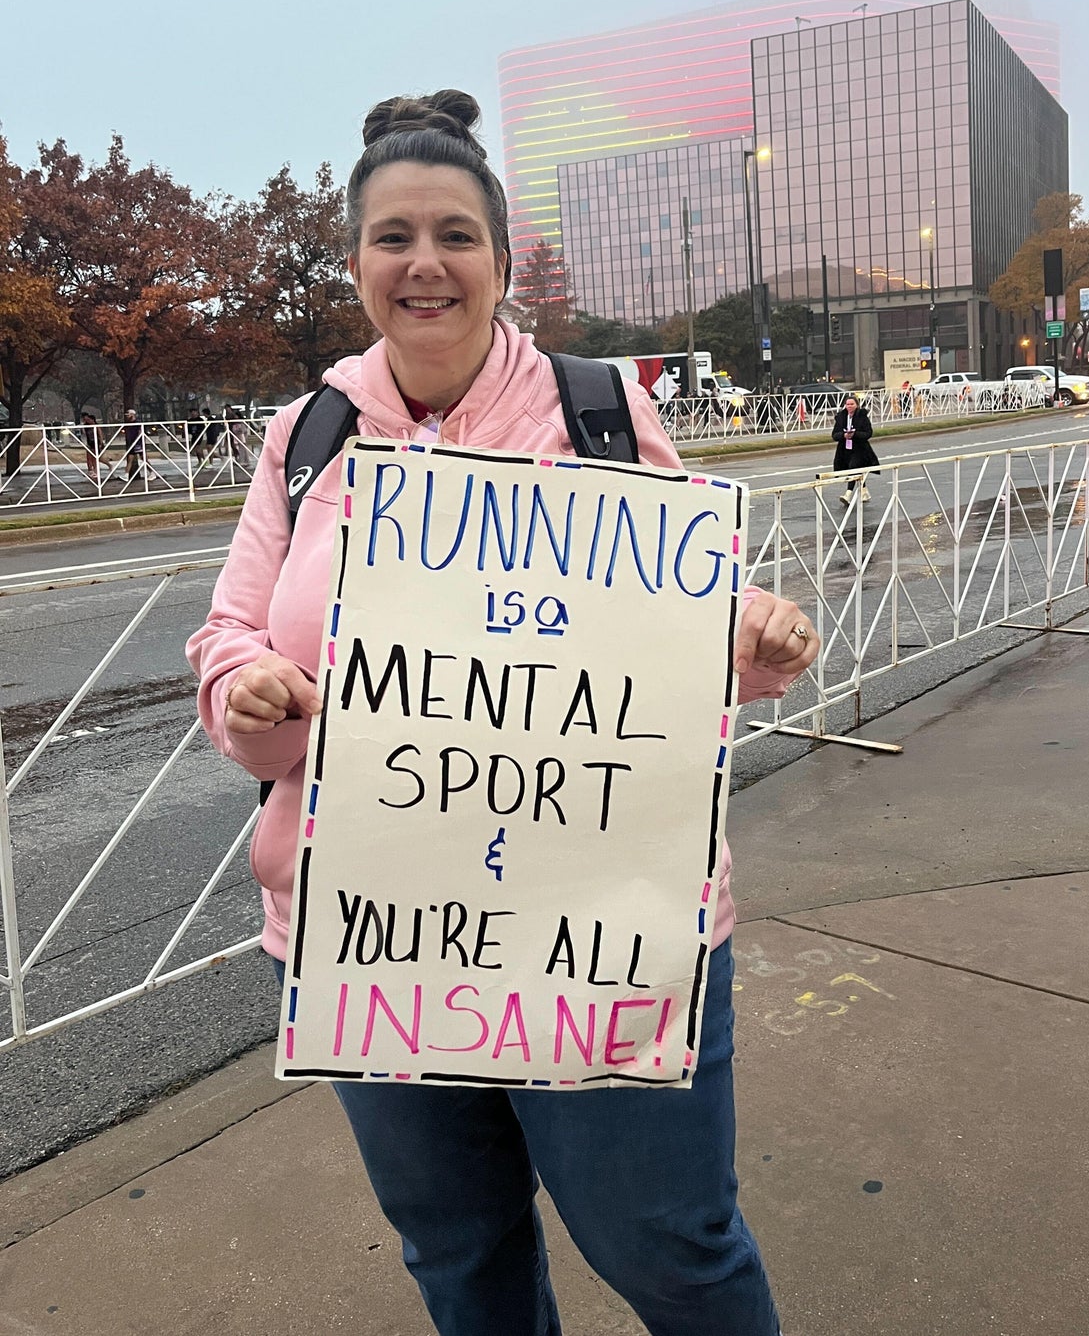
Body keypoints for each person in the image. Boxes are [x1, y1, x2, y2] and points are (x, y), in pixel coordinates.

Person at [187, 90, 818, 1336]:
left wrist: (752, 631)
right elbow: (231, 634)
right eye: (393, 237)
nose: (425, 264)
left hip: (602, 926)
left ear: (501, 259)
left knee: (671, 1248)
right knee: (458, 1250)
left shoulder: (595, 412)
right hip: (371, 932)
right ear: (358, 260)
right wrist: (241, 687)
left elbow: (685, 602)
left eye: (455, 235)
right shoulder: (304, 436)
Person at [832, 394, 879, 503]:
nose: (849, 406)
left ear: (857, 405)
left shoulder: (862, 417)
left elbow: (868, 433)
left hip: (860, 449)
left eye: (852, 404)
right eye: (847, 404)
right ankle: (864, 492)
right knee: (856, 471)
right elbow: (834, 435)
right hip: (845, 449)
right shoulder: (841, 417)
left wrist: (855, 434)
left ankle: (847, 494)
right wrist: (843, 435)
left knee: (854, 468)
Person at [122, 408, 147, 486]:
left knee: (144, 459)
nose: (127, 416)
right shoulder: (128, 423)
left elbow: (140, 432)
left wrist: (137, 441)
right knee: (130, 459)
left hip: (138, 444)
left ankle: (152, 472)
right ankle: (126, 475)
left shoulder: (138, 423)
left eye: (128, 415)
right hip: (132, 443)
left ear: (132, 415)